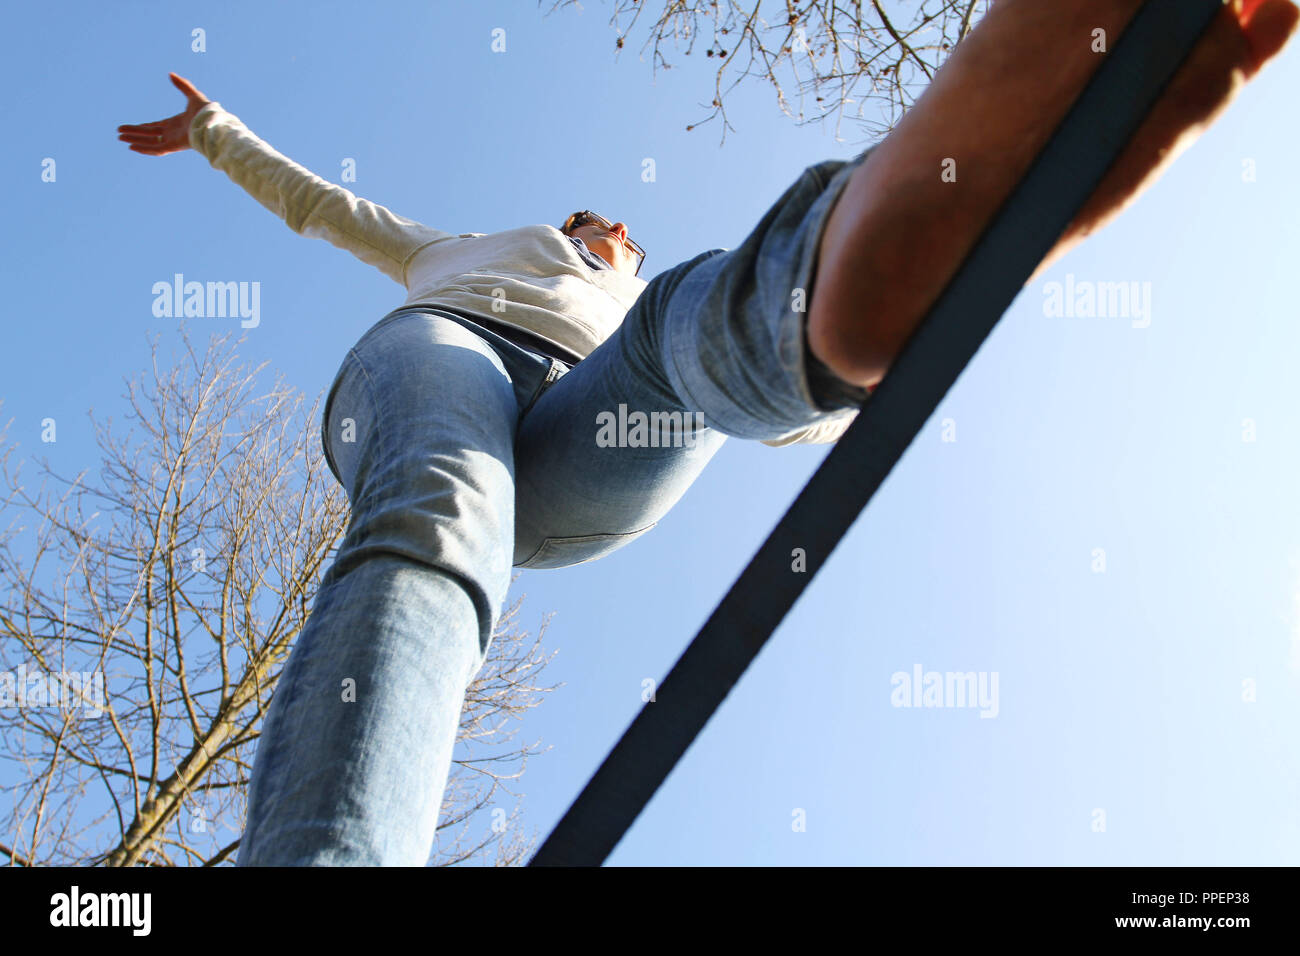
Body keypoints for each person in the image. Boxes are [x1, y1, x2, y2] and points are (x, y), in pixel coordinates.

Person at [118, 0, 1296, 865]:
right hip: (445, 353)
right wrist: (216, 130)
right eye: (590, 218)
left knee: (691, 324)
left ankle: (828, 300)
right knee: (442, 504)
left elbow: (730, 399)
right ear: (561, 221)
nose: (604, 229)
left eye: (614, 228)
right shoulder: (454, 251)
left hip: (590, 424)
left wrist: (846, 398)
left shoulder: (637, 291)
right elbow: (328, 207)